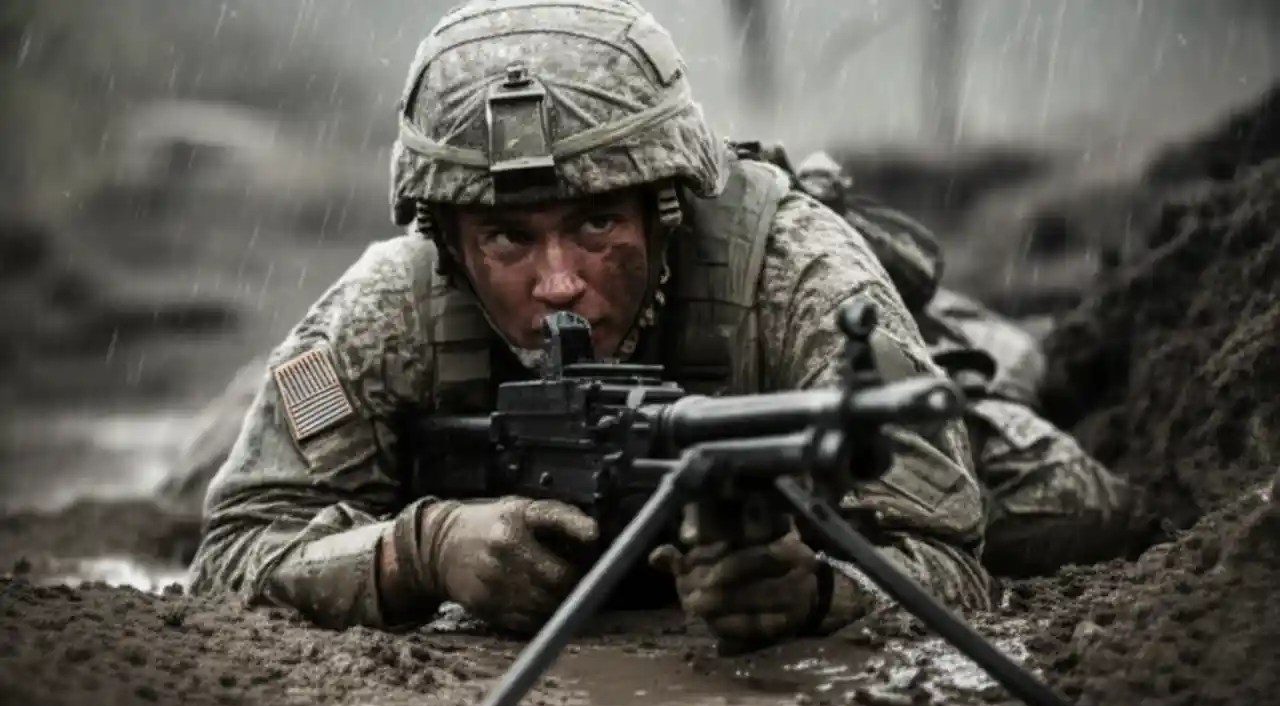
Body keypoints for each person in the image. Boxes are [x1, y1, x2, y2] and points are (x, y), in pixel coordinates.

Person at [189, 0, 993, 645]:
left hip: (832, 387)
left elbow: (954, 556)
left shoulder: (794, 270)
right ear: (450, 245)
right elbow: (232, 553)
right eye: (509, 237)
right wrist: (417, 553)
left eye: (598, 225)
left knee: (1068, 504)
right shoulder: (391, 306)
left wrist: (822, 593)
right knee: (204, 468)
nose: (561, 282)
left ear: (664, 209)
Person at [795, 151, 1134, 576]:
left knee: (1070, 492)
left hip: (942, 361)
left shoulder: (779, 212)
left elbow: (919, 269)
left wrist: (821, 207)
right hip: (903, 370)